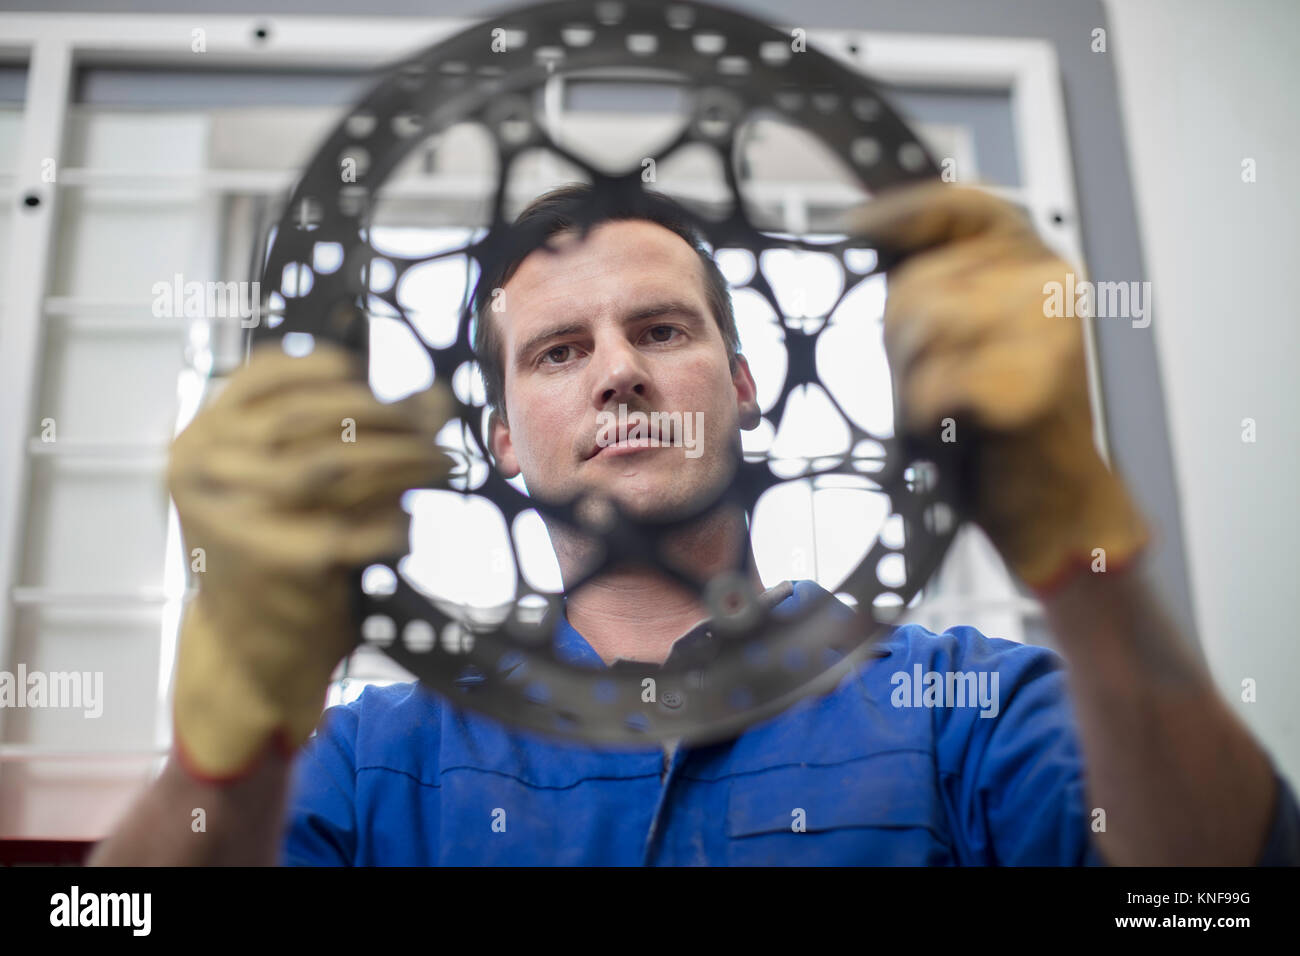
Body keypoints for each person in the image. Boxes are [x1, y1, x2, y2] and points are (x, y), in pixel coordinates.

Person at [89, 182, 1300, 866]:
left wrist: (1086, 561)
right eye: (560, 350)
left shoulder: (964, 712)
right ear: (504, 437)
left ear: (744, 383)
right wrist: (226, 747)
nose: (617, 373)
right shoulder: (372, 756)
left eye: (661, 330)